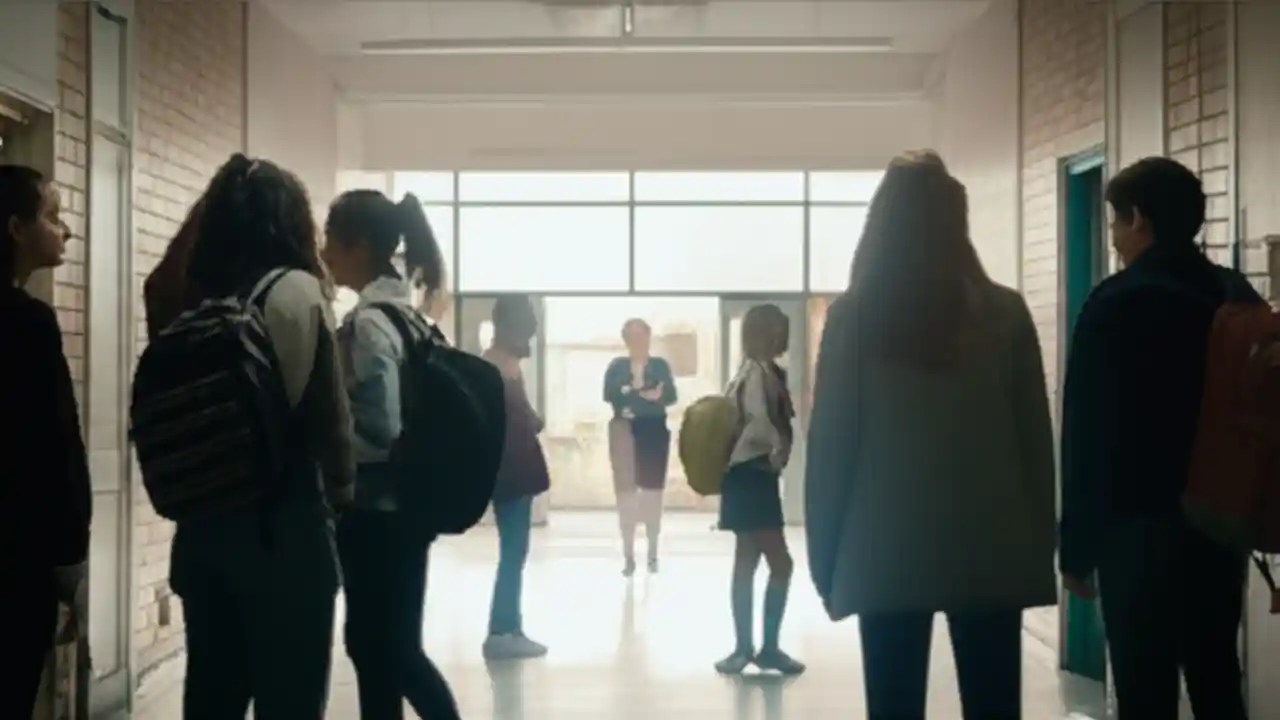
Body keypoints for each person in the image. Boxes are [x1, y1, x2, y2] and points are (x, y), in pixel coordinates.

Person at [805, 151, 1056, 719]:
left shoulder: (857, 316)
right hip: (992, 543)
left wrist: (827, 558)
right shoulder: (1006, 314)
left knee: (893, 705)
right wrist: (1039, 543)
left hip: (884, 544)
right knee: (995, 704)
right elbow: (1035, 444)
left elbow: (831, 449)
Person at [1060, 157, 1260, 720]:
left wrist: (1076, 547)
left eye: (1117, 225)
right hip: (1217, 522)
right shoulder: (1232, 293)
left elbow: (1087, 432)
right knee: (1217, 676)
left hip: (1136, 531)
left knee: (1144, 691)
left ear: (1139, 219)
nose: (1116, 240)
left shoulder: (1114, 302)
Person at [172, 155, 355, 718]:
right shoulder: (297, 292)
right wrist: (340, 501)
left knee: (212, 695)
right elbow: (329, 422)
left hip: (203, 532)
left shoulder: (190, 295)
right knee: (290, 701)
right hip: (285, 535)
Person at [323, 188, 461, 719]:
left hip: (375, 509)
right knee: (383, 646)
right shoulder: (411, 318)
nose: (325, 252)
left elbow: (382, 423)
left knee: (386, 649)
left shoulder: (369, 324)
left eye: (330, 240)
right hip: (407, 507)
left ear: (358, 246)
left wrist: (329, 442)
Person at [0, 165, 91, 718]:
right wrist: (71, 554)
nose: (65, 230)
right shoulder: (29, 323)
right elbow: (56, 444)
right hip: (18, 551)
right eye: (53, 216)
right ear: (15, 228)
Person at [714, 304, 805, 676]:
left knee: (747, 561)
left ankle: (744, 649)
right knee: (780, 562)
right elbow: (759, 425)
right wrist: (777, 451)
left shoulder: (746, 373)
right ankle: (764, 647)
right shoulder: (760, 375)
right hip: (753, 475)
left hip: (743, 477)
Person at [482, 294, 551, 660]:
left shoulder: (505, 366)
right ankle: (501, 629)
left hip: (516, 471)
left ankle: (511, 625)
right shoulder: (494, 368)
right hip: (509, 473)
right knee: (512, 551)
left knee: (516, 550)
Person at [603, 319, 677, 576]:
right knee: (625, 492)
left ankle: (653, 553)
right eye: (632, 337)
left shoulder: (660, 366)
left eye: (641, 336)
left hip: (654, 431)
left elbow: (670, 396)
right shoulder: (617, 366)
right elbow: (610, 394)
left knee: (652, 491)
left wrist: (648, 397)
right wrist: (638, 394)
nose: (637, 342)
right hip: (623, 431)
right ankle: (628, 555)